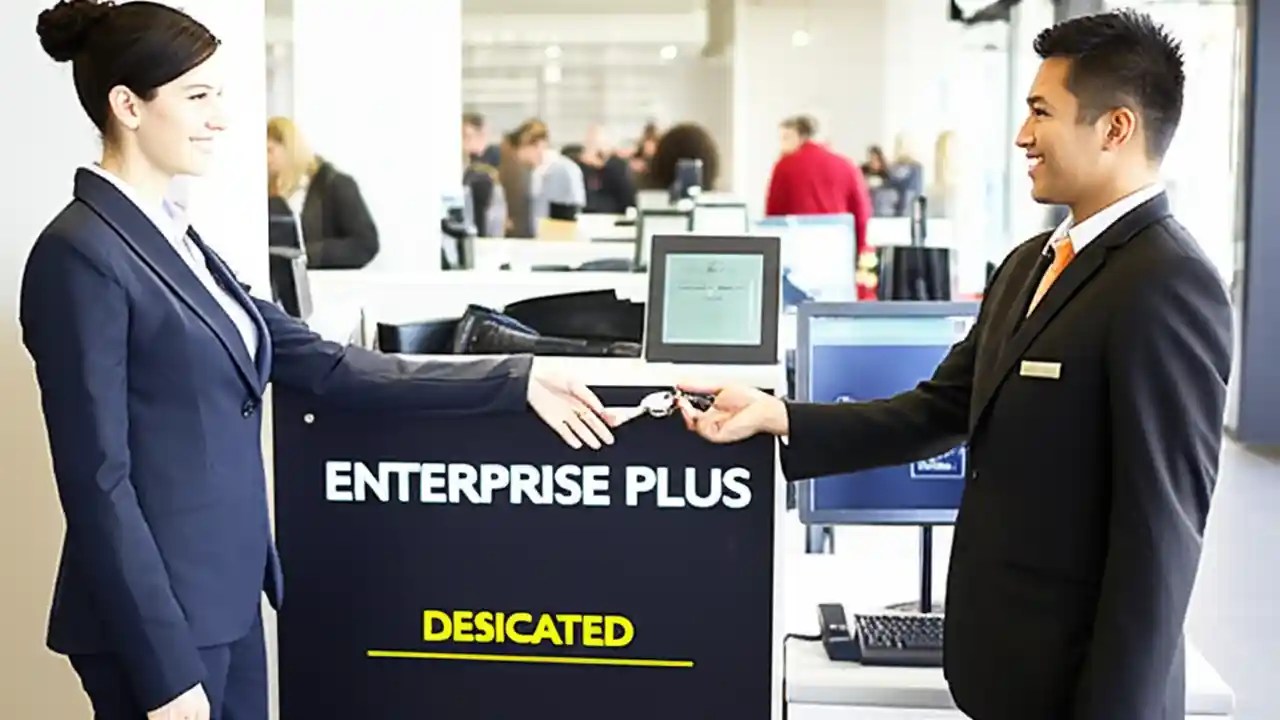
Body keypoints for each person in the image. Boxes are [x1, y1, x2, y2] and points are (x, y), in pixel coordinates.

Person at [23, 3, 616, 719]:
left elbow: (330, 367)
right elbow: (96, 484)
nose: (221, 118)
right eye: (197, 96)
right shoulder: (81, 253)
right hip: (162, 627)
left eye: (220, 96)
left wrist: (514, 378)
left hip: (227, 600)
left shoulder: (178, 238)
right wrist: (164, 668)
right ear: (128, 105)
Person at [678, 10, 1231, 720]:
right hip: (1002, 671)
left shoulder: (1166, 282)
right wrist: (778, 415)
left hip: (1079, 690)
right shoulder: (1032, 264)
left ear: (1115, 127)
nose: (1022, 135)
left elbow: (1159, 539)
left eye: (1041, 112)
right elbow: (940, 408)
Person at [765, 115, 876, 299]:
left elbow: (773, 220)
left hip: (798, 264)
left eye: (785, 138)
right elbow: (862, 217)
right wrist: (858, 258)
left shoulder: (784, 166)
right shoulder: (846, 165)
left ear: (799, 136)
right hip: (839, 261)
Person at [266, 116, 379, 269]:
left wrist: (305, 254)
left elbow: (365, 245)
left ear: (289, 148)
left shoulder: (335, 184)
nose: (266, 158)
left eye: (269, 150)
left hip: (329, 285)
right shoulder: (270, 191)